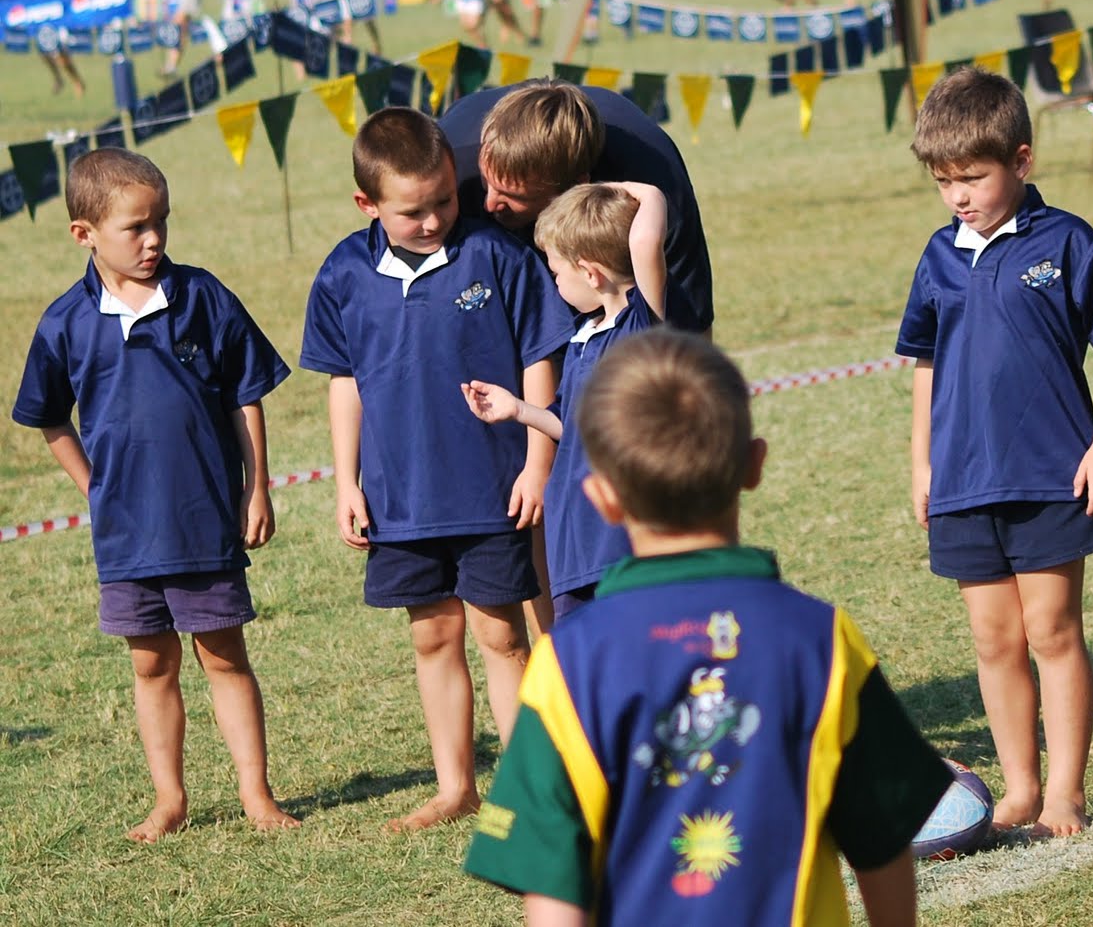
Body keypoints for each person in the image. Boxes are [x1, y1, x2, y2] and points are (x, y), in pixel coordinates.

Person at [462, 329, 951, 925]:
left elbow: (553, 887)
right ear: (754, 465)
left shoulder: (568, 660)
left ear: (600, 497)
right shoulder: (821, 639)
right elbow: (881, 841)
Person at [12, 149, 299, 842]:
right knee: (151, 662)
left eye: (162, 222)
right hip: (127, 535)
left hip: (205, 518)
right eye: (136, 227)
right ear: (84, 234)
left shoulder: (203, 296)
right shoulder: (64, 323)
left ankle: (256, 793)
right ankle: (169, 798)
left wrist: (256, 486)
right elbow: (49, 416)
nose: (154, 240)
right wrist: (94, 487)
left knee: (223, 651)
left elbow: (245, 394)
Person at [299, 108, 573, 831]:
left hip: (493, 486)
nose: (434, 219)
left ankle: (524, 790)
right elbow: (345, 383)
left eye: (446, 200)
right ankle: (457, 787)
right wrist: (347, 483)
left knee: (502, 636)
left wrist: (537, 462)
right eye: (413, 210)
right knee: (432, 635)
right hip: (401, 498)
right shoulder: (343, 275)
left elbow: (541, 359)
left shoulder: (498, 255)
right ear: (367, 205)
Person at [897, 67, 1093, 836]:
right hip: (964, 481)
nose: (959, 195)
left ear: (1022, 160)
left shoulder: (1067, 241)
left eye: (973, 176)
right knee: (995, 638)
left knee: (1052, 630)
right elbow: (926, 364)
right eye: (944, 182)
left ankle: (1064, 791)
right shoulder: (937, 256)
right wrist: (921, 462)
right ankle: (1021, 790)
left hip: (1051, 472)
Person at [463, 181, 685, 620]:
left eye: (557, 271)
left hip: (627, 548)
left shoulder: (641, 328)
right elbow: (573, 427)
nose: (554, 282)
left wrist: (635, 191)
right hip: (575, 550)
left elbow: (645, 239)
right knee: (585, 670)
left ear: (591, 274)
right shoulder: (583, 339)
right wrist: (519, 410)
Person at [440, 79, 715, 335]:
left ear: (576, 186)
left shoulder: (651, 183)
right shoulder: (450, 169)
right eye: (489, 184)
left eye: (515, 196)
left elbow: (690, 330)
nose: (490, 204)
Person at [30, 0, 87, 97]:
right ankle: (58, 79)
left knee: (62, 58)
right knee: (44, 54)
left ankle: (76, 81)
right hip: (44, 27)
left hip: (60, 27)